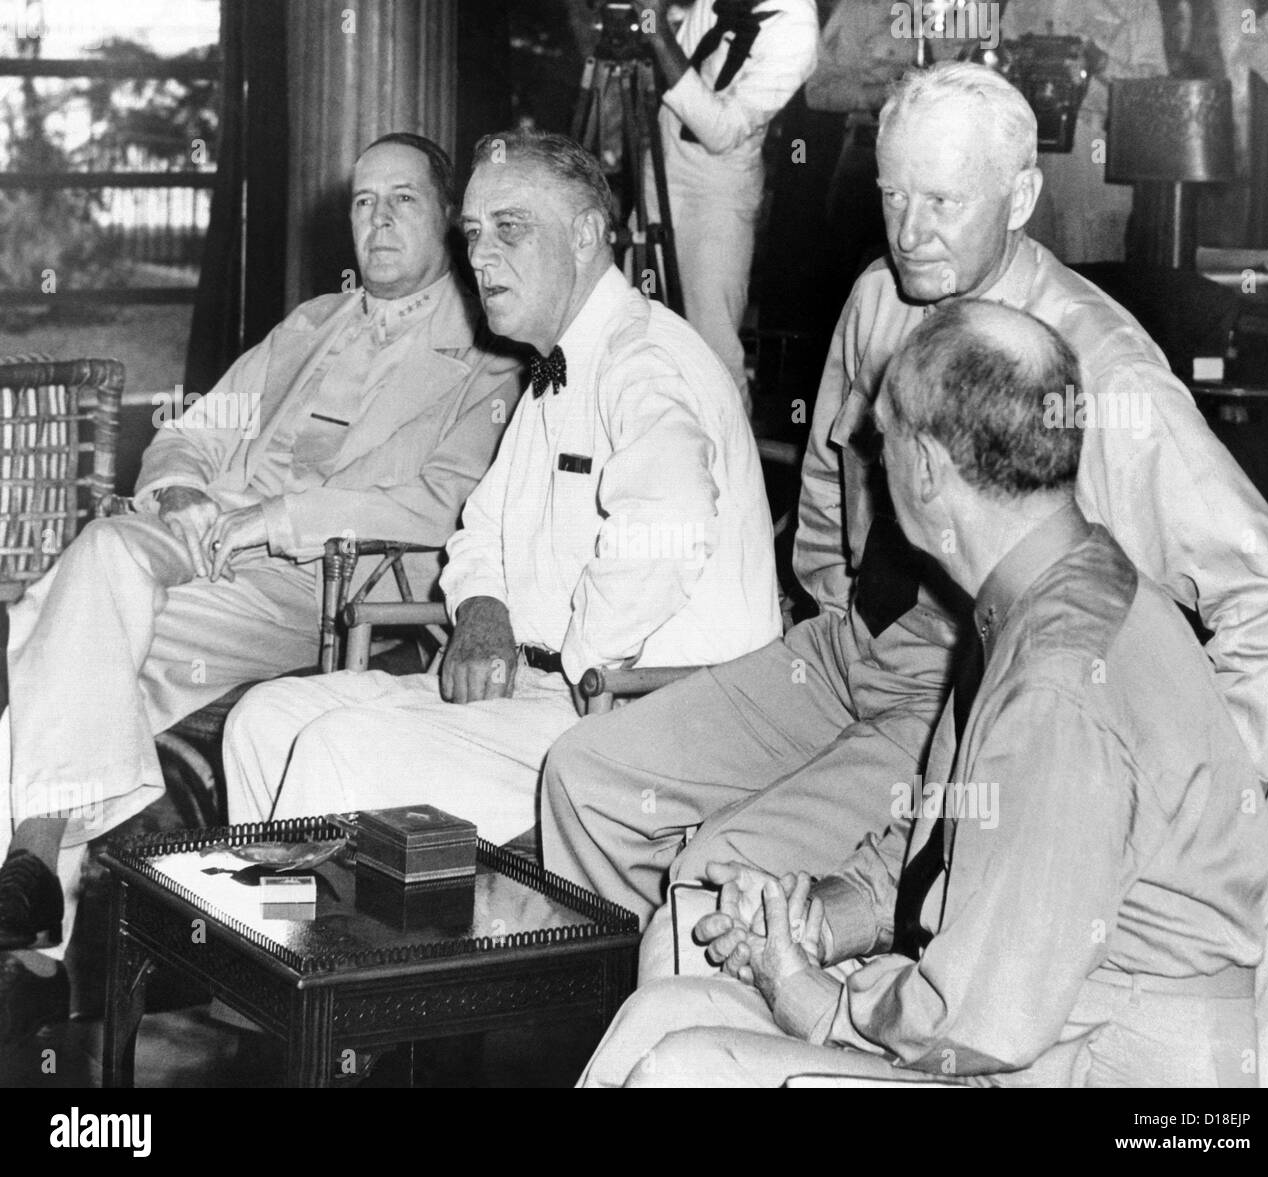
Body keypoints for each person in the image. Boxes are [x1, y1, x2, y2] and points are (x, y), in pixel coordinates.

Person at [540, 63, 1268, 981]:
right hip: (847, 646)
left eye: (943, 200)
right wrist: (829, 613)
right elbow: (829, 481)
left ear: (1021, 196)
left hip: (966, 692)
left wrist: (1185, 806)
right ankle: (608, 1025)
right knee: (587, 781)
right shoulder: (880, 298)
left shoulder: (1098, 371)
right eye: (893, 195)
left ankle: (722, 1036)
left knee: (711, 889)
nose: (912, 233)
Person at [579, 301, 1268, 1088]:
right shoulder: (1042, 592)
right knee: (658, 1013)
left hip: (1127, 1086)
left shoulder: (1056, 682)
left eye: (883, 440)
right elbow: (943, 840)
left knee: (685, 1069)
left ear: (928, 471)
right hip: (1050, 1031)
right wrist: (815, 917)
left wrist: (808, 997)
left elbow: (985, 1019)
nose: (872, 464)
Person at [0, 132, 524, 1036]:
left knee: (44, 620)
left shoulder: (489, 358)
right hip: (201, 537)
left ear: (449, 217)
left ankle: (39, 868)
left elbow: (445, 505)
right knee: (95, 592)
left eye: (403, 199)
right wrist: (187, 491)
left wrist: (276, 521)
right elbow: (199, 427)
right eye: (363, 202)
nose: (380, 219)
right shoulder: (314, 321)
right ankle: (38, 921)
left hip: (308, 578)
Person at [221, 130, 780, 846]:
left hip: (643, 722)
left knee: (339, 749)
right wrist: (485, 610)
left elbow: (669, 524)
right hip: (542, 693)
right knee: (263, 722)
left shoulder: (643, 360)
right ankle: (275, 935)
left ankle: (332, 949)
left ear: (584, 235)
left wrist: (579, 662)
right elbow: (480, 527)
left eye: (509, 230)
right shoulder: (553, 369)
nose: (480, 257)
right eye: (475, 233)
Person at [640, 0, 819, 404]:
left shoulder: (796, 29)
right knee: (638, 318)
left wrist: (656, 30)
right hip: (659, 162)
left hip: (717, 186)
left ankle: (734, 458)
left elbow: (719, 131)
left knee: (712, 341)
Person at [999, 0, 1168, 263]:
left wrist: (1101, 63)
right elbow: (1001, 62)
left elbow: (1154, 87)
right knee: (1025, 276)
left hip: (1093, 152)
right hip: (1028, 154)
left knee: (1090, 275)